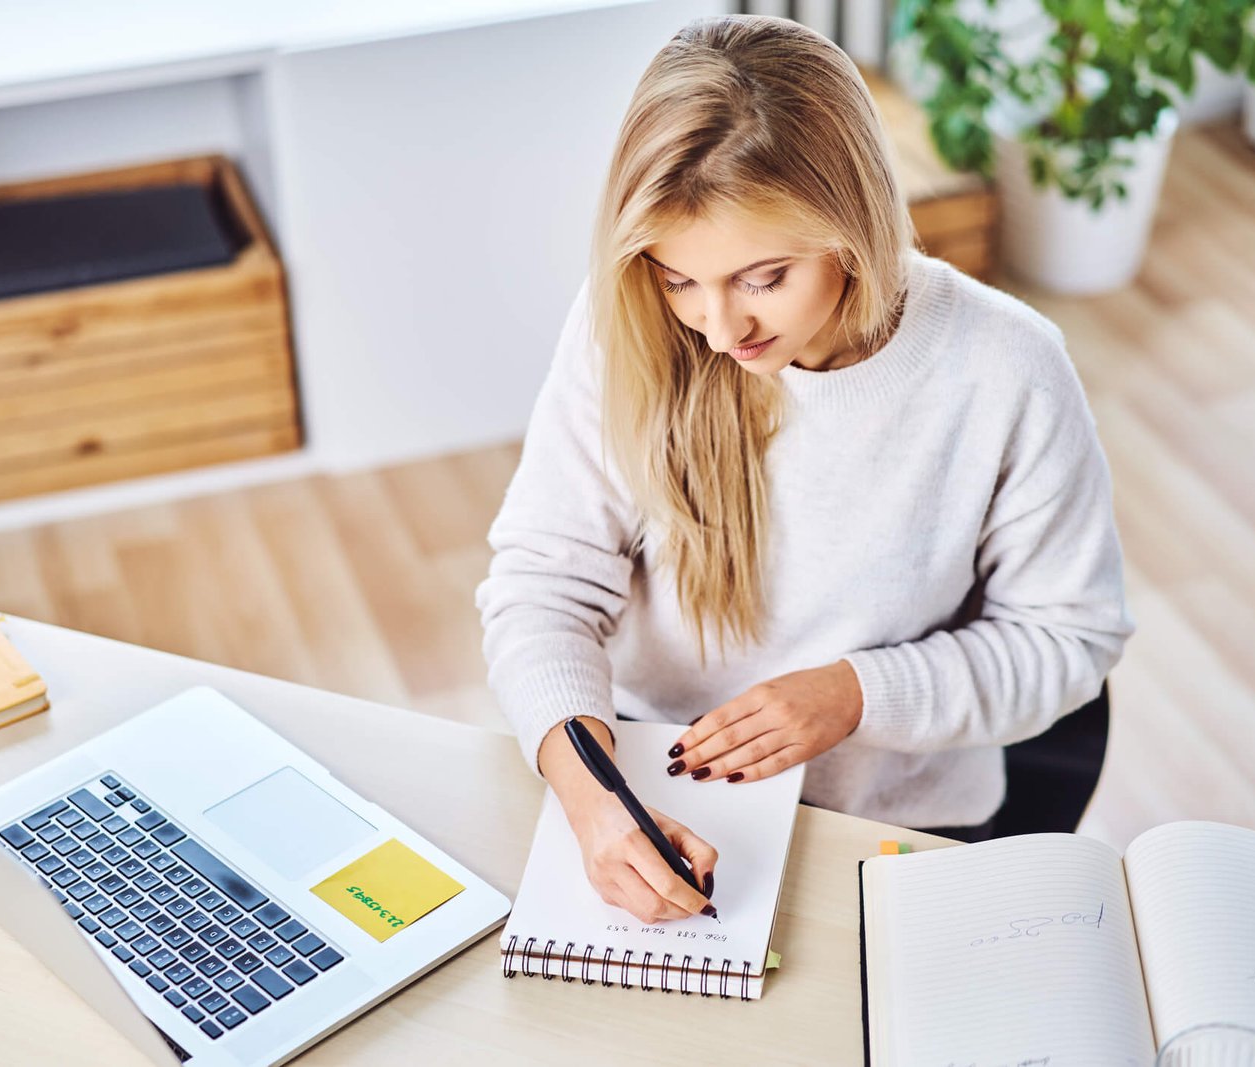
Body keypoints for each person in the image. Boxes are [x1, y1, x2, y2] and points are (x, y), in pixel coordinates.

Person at [475, 14, 1133, 926]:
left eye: (763, 276)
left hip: (896, 828)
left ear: (849, 225)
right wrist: (596, 800)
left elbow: (1072, 641)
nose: (718, 327)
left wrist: (857, 693)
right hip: (657, 796)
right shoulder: (625, 323)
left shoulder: (1005, 367)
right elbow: (542, 585)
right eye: (678, 279)